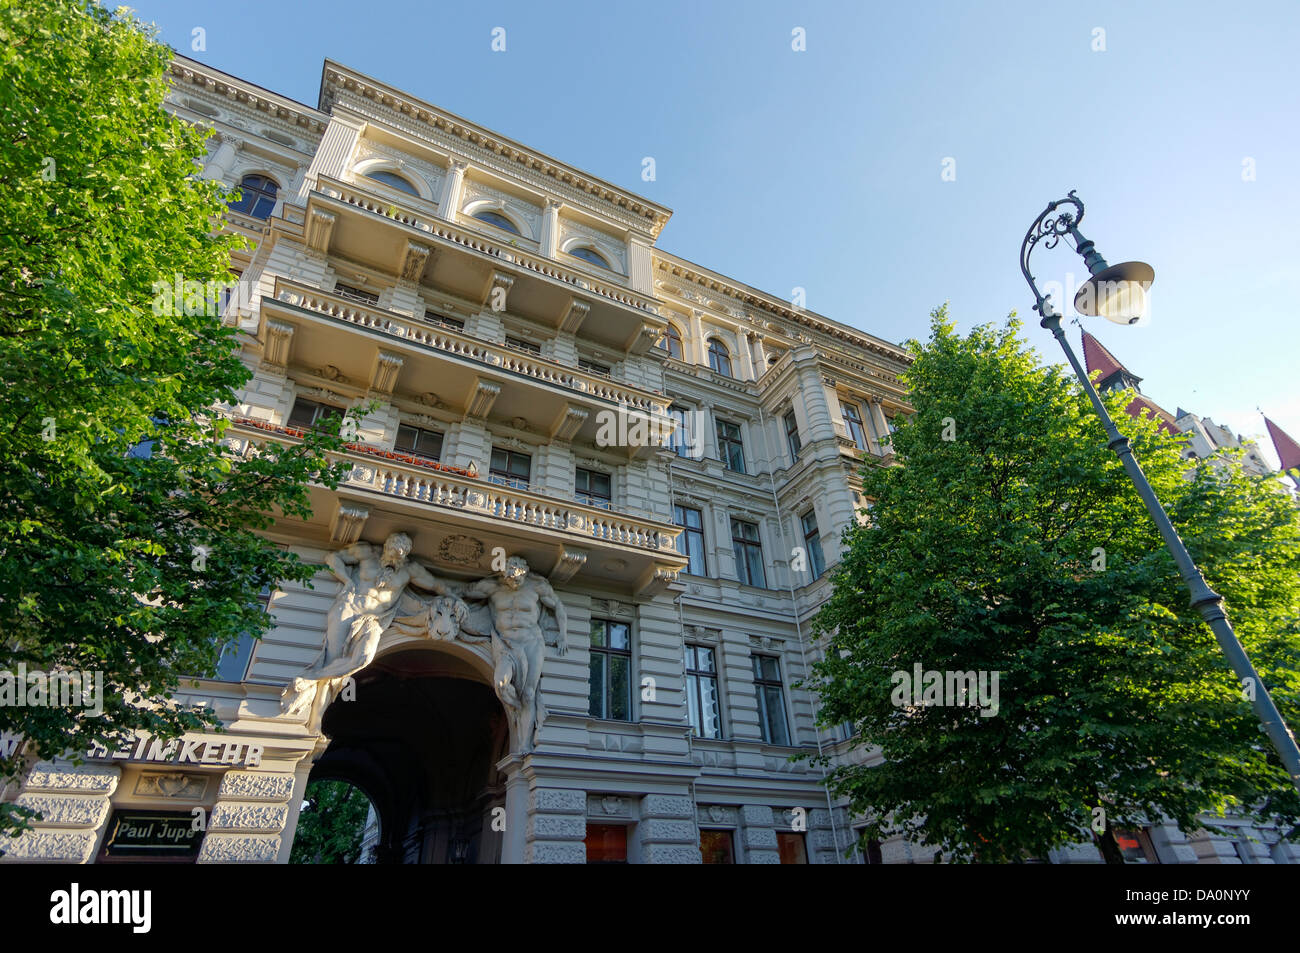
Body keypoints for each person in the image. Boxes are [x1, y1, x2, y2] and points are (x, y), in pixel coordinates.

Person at [461, 556, 567, 752]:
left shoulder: (535, 586)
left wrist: (563, 635)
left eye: (519, 579)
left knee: (529, 693)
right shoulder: (493, 588)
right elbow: (465, 591)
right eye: (511, 579)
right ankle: (516, 710)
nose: (515, 583)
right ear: (504, 575)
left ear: (525, 574)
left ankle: (524, 744)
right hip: (507, 645)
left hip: (532, 643)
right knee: (501, 683)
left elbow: (558, 605)